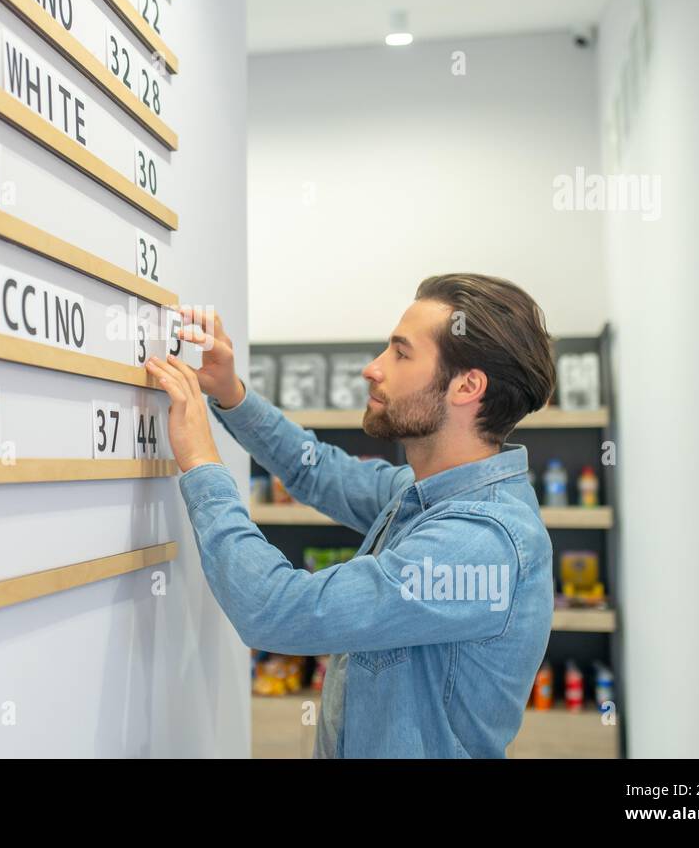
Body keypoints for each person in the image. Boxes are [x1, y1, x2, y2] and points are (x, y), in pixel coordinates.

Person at [144, 273, 557, 758]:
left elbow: (275, 611)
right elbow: (318, 471)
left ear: (467, 386)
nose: (372, 369)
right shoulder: (421, 493)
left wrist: (202, 464)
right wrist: (231, 394)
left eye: (401, 354)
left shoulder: (478, 542)